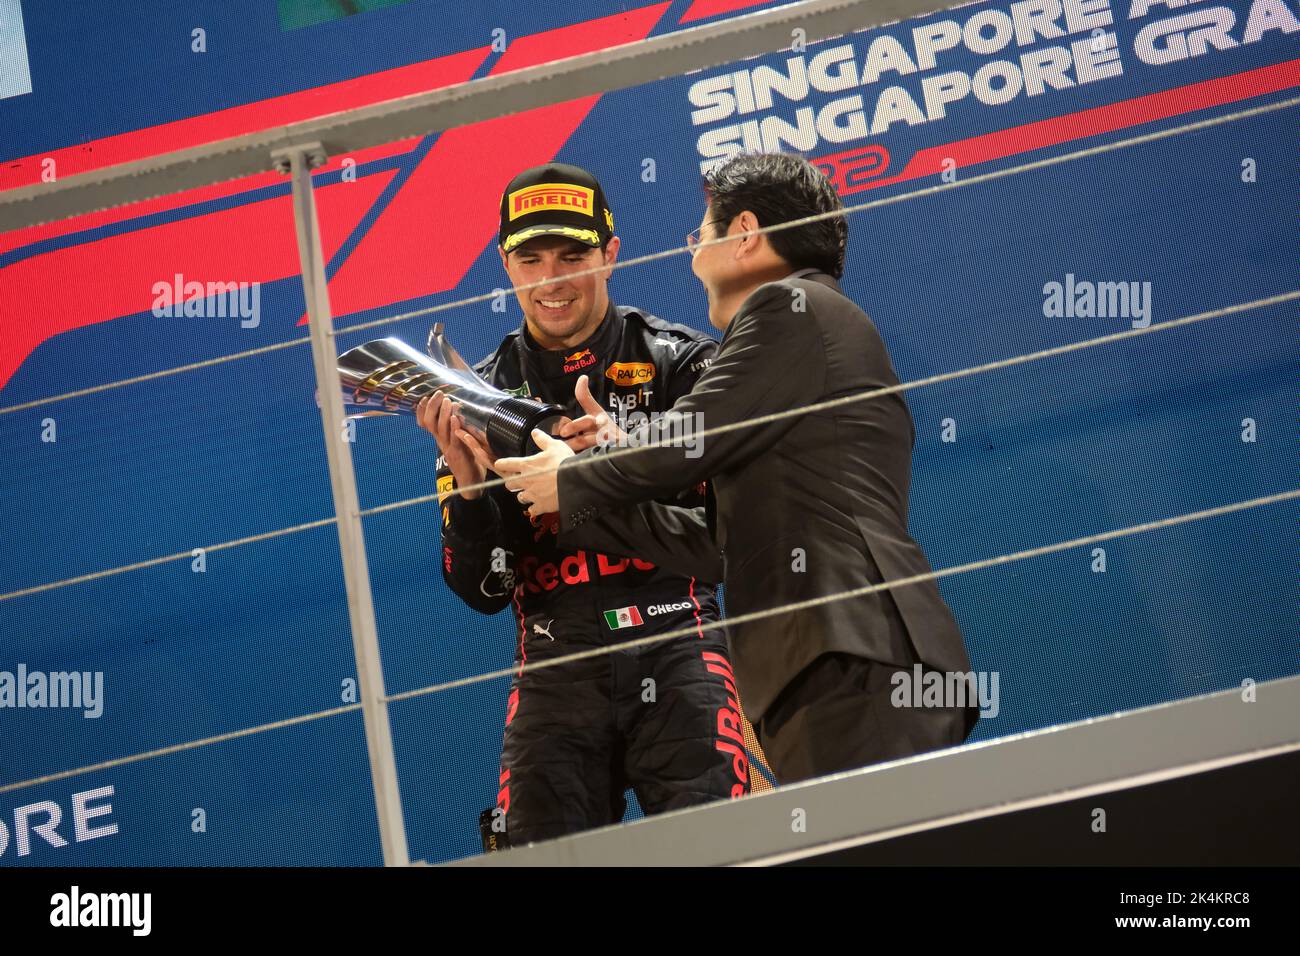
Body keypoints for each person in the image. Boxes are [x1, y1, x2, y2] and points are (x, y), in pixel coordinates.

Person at [489, 153, 979, 785]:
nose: (694, 255)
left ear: (744, 234)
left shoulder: (788, 307)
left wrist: (575, 472)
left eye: (702, 235)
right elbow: (714, 539)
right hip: (837, 664)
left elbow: (690, 435)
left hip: (852, 655)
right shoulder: (803, 333)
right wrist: (574, 495)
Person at [419, 162, 751, 848]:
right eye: (531, 258)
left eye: (574, 256)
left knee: (730, 850)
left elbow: (734, 539)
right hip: (554, 667)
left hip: (678, 645)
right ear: (504, 262)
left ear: (612, 254)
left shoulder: (685, 362)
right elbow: (484, 591)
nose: (552, 279)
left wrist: (626, 457)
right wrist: (473, 495)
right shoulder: (474, 395)